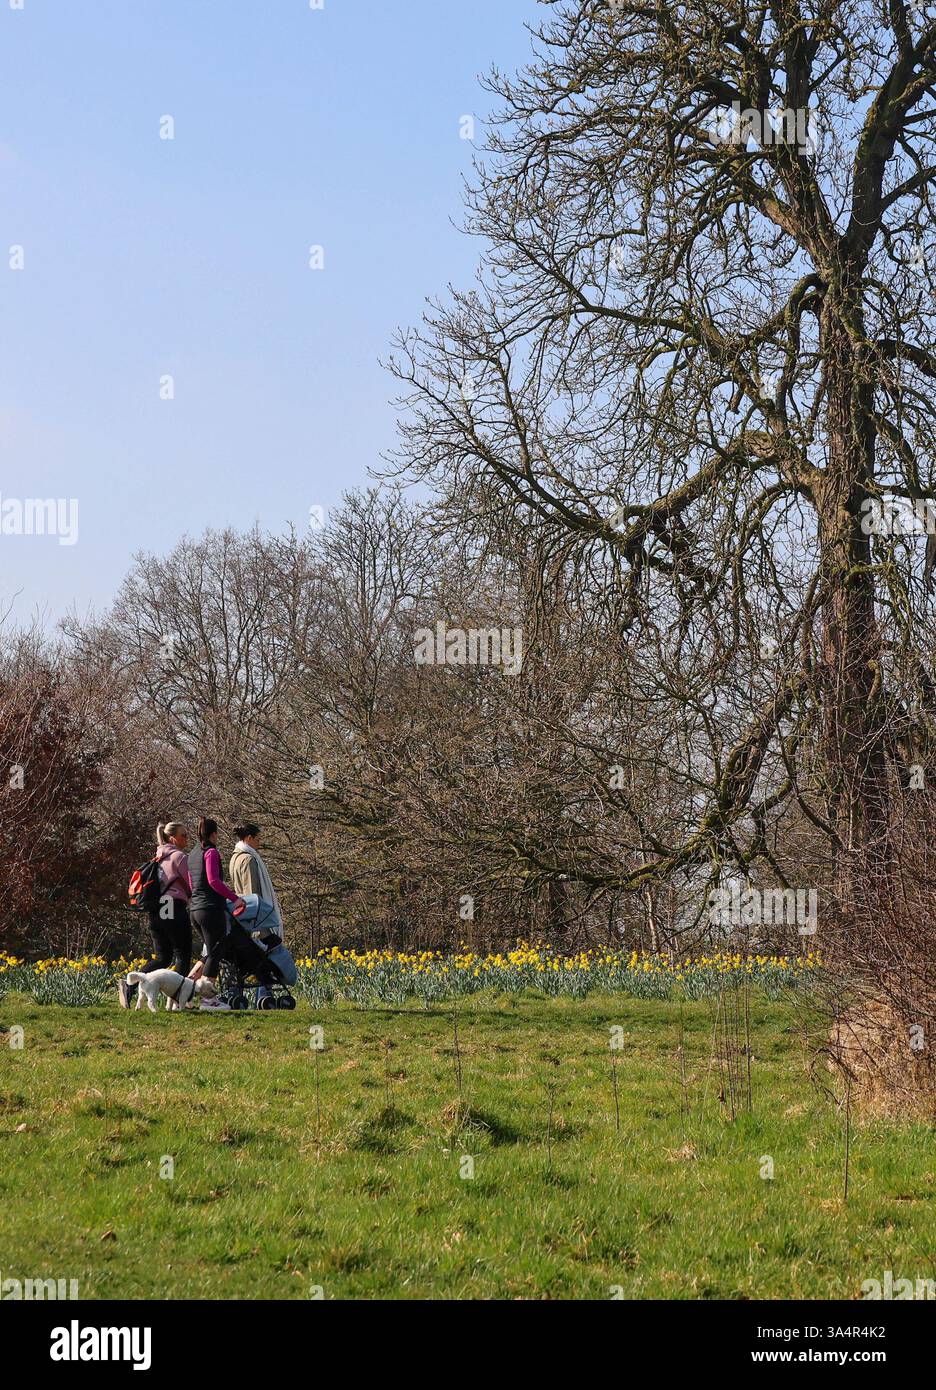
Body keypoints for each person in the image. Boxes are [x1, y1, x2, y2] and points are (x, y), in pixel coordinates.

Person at [118, 821, 193, 1009]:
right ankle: (177, 1000)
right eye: (183, 835)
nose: (187, 838)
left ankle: (130, 985)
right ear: (172, 838)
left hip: (156, 911)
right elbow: (192, 884)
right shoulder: (179, 857)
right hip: (173, 908)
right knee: (182, 954)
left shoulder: (158, 857)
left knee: (163, 958)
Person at [188, 817, 245, 1011]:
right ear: (213, 834)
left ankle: (185, 988)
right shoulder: (211, 852)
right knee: (215, 952)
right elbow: (213, 881)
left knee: (208, 951)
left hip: (194, 909)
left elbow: (191, 884)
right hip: (211, 909)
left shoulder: (192, 854)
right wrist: (234, 898)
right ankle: (208, 1000)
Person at [229, 822, 284, 1007]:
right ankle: (264, 993)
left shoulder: (235, 857)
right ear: (249, 838)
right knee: (266, 954)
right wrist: (260, 917)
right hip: (255, 919)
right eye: (257, 838)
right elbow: (252, 893)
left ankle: (239, 992)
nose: (259, 842)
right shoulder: (248, 859)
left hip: (242, 917)